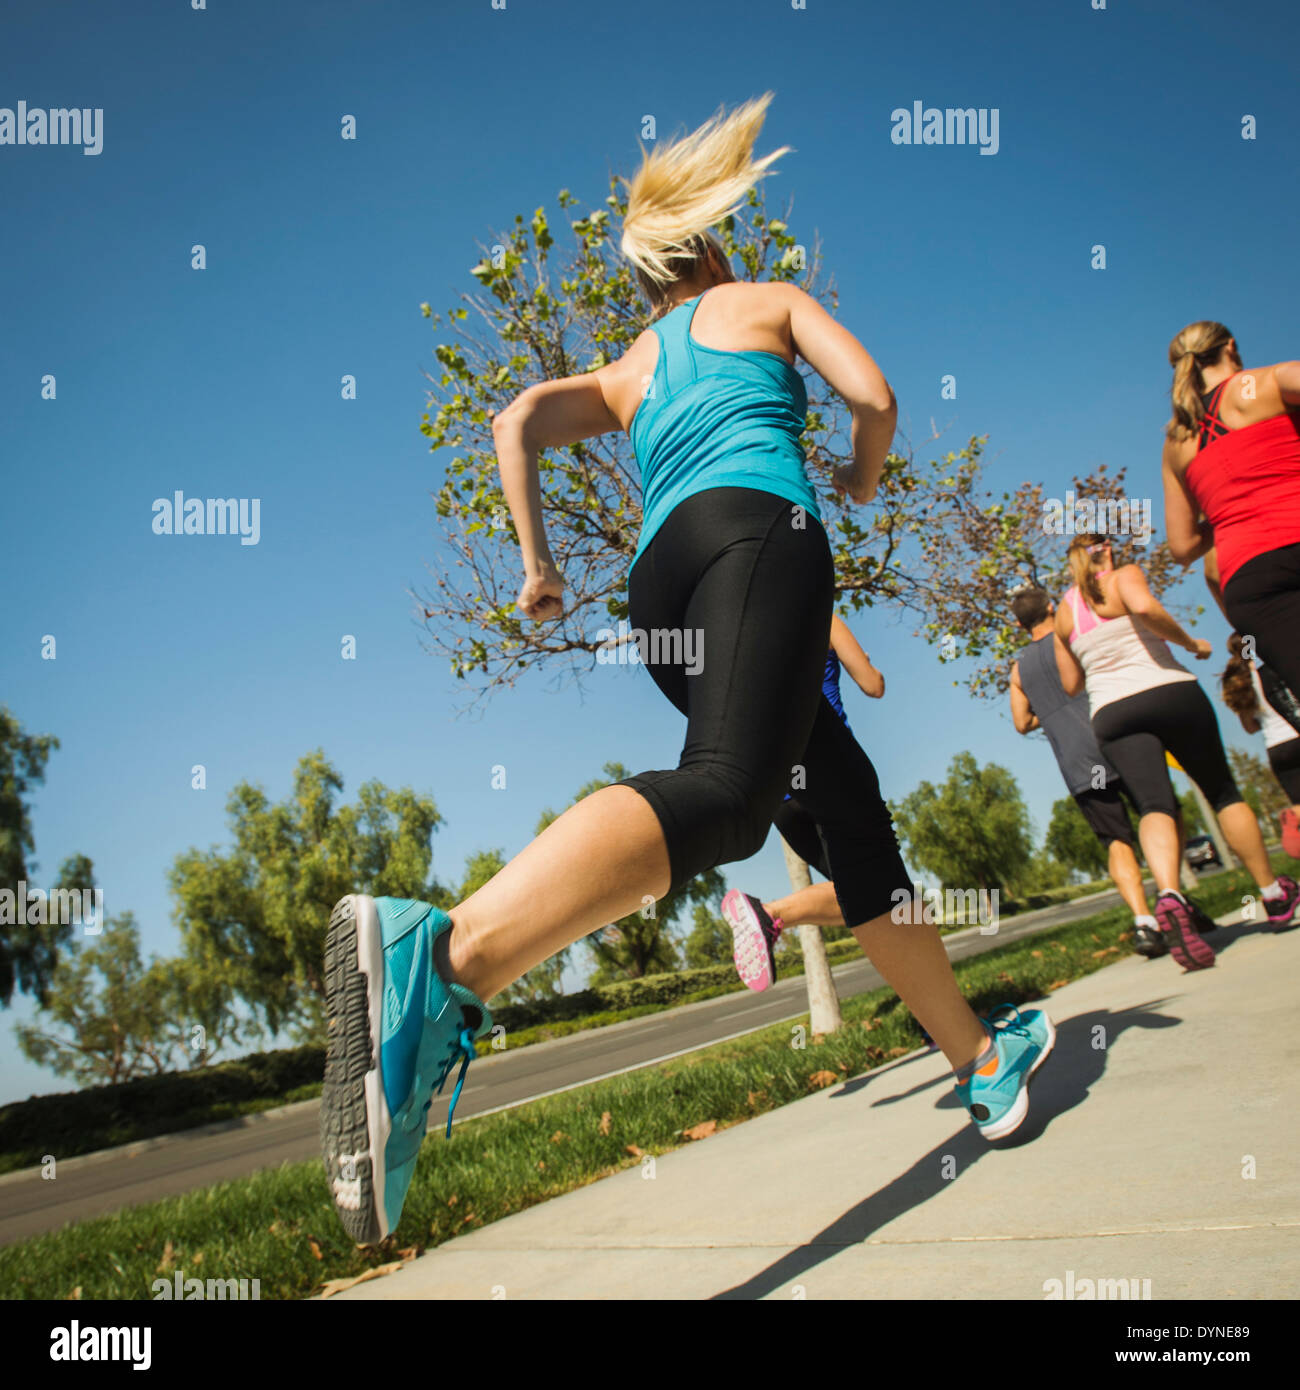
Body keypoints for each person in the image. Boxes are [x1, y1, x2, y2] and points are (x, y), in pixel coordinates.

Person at [319, 94, 1055, 1247]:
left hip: (662, 582)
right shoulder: (764, 300)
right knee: (726, 795)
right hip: (763, 539)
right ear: (712, 246)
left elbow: (513, 420)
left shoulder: (627, 370)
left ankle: (972, 1055)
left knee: (851, 821)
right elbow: (875, 397)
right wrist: (860, 476)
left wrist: (538, 564)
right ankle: (443, 955)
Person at [1053, 535, 1299, 973]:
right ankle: (1272, 895)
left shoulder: (1065, 609)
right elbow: (1145, 608)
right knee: (1222, 791)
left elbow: (1070, 682)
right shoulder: (1124, 576)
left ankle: (1169, 895)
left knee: (1153, 805)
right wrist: (1191, 643)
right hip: (1168, 691)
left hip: (1111, 711)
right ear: (1104, 552)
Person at [721, 613, 885, 991]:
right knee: (884, 893)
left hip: (778, 794)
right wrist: (869, 665)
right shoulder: (824, 618)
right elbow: (873, 685)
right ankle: (770, 913)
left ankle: (933, 1023)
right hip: (832, 772)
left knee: (869, 905)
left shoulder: (742, 628)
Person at [1007, 586, 1165, 959]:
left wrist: (1049, 711)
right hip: (1118, 737)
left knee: (1116, 840)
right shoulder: (1075, 638)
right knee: (1158, 813)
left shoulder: (1018, 670)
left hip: (1082, 763)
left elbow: (1020, 722)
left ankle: (1144, 921)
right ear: (1051, 607)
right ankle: (1174, 898)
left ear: (1018, 624)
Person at [1162, 322, 1300, 701]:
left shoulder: (1176, 441)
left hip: (1252, 585)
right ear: (1231, 347)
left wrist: (1226, 512)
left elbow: (1183, 546)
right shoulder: (1266, 382)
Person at [1219, 633, 1300, 860]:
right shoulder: (1277, 664)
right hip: (1296, 731)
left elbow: (1250, 727)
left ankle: (1294, 821)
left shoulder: (1240, 679)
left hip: (1276, 747)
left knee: (1298, 803)